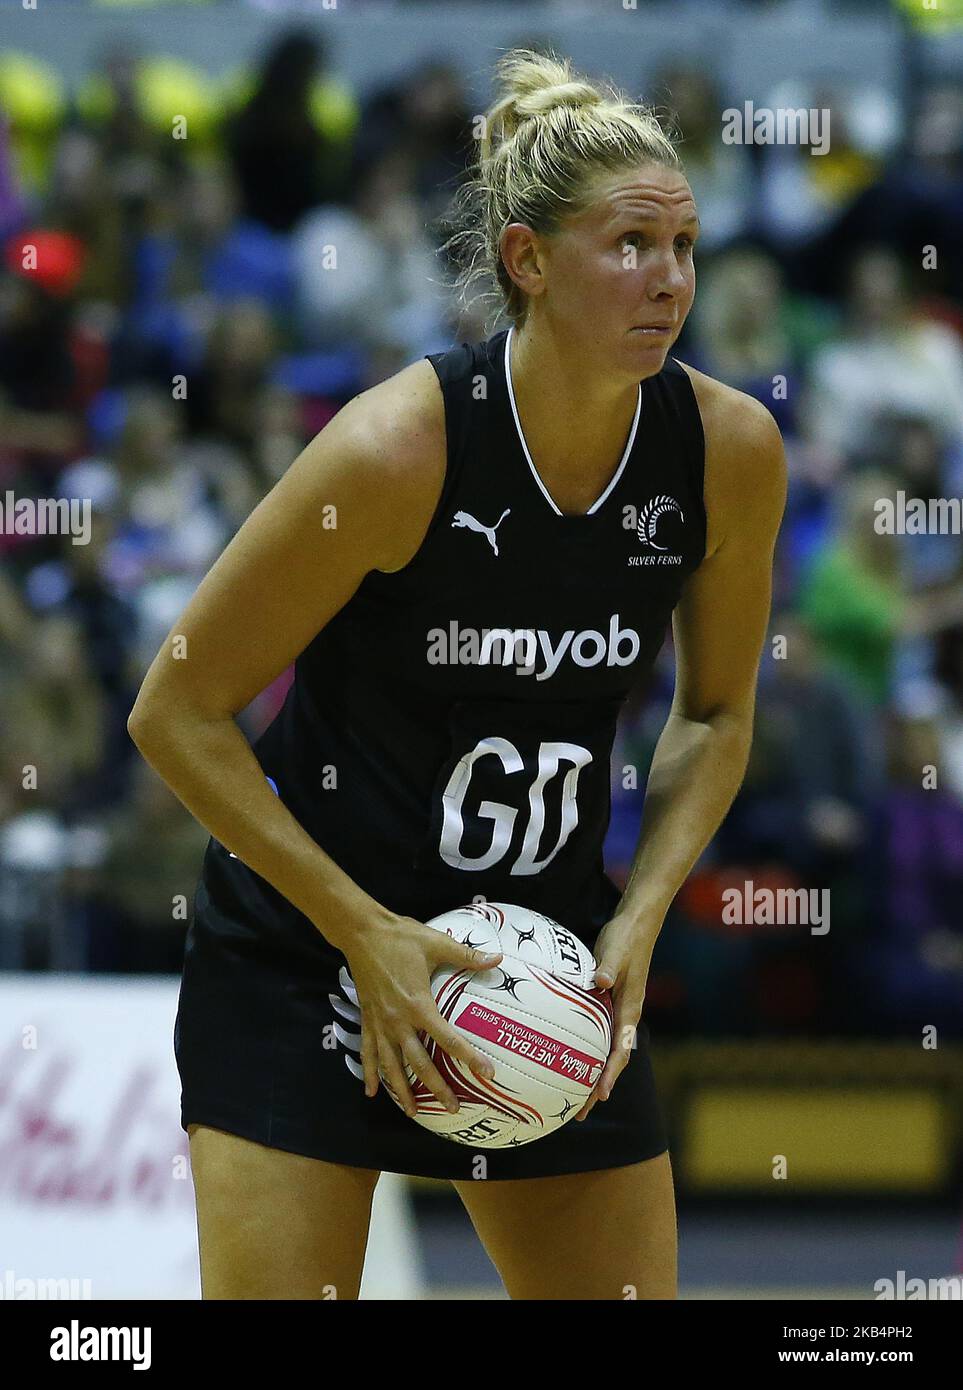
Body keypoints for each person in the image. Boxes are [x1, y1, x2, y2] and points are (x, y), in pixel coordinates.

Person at [128, 49, 786, 1300]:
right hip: (312, 957)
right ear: (528, 260)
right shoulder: (397, 449)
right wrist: (362, 929)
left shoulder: (729, 449)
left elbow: (713, 711)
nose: (672, 281)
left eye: (686, 245)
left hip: (543, 960)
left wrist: (640, 909)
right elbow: (177, 709)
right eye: (631, 244)